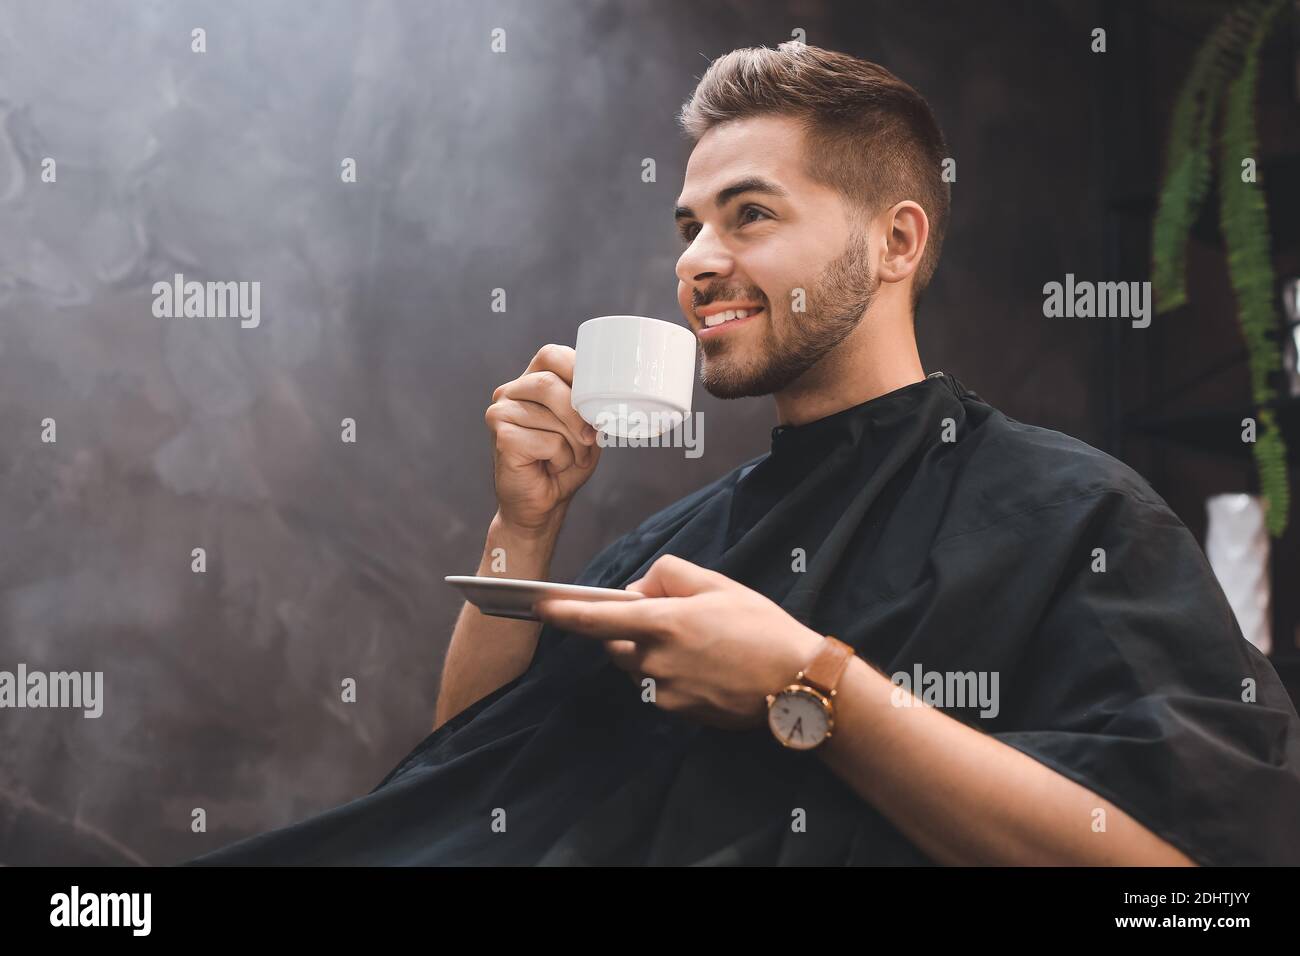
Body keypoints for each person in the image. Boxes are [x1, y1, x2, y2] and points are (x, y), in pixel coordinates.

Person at [188, 43, 1300, 866]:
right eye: (687, 227)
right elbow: (471, 776)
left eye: (749, 215)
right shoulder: (675, 543)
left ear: (895, 239)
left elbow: (1178, 877)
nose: (698, 261)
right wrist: (524, 529)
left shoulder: (1076, 517)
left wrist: (802, 681)